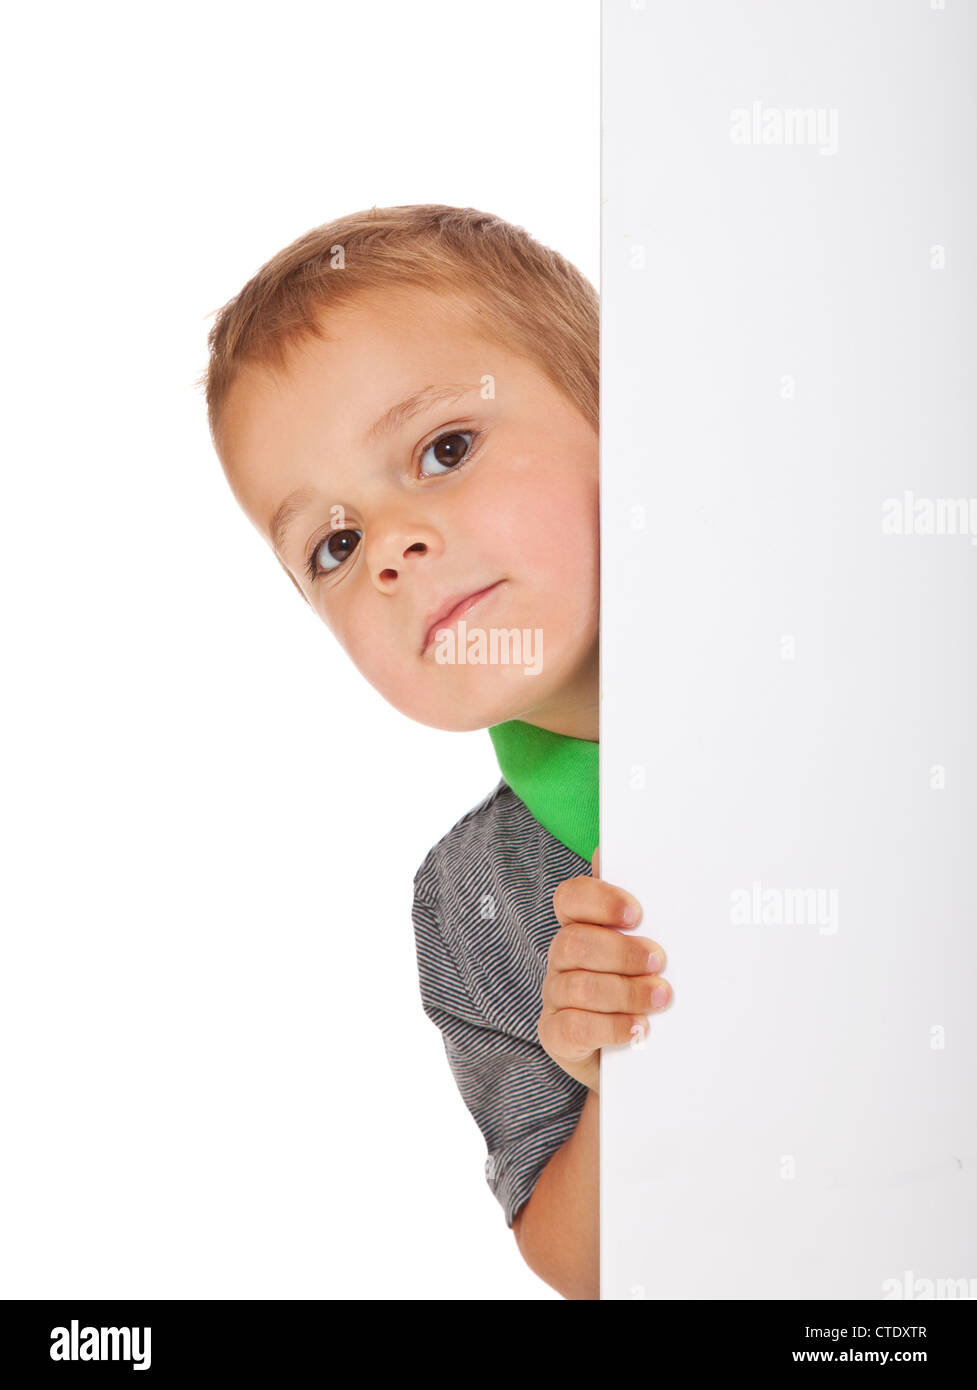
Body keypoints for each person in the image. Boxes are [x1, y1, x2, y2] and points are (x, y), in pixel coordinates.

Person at [198, 204, 672, 1299]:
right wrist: (620, 1085)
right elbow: (578, 1267)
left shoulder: (854, 641)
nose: (393, 551)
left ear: (626, 416)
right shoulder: (473, 901)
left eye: (443, 449)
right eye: (334, 543)